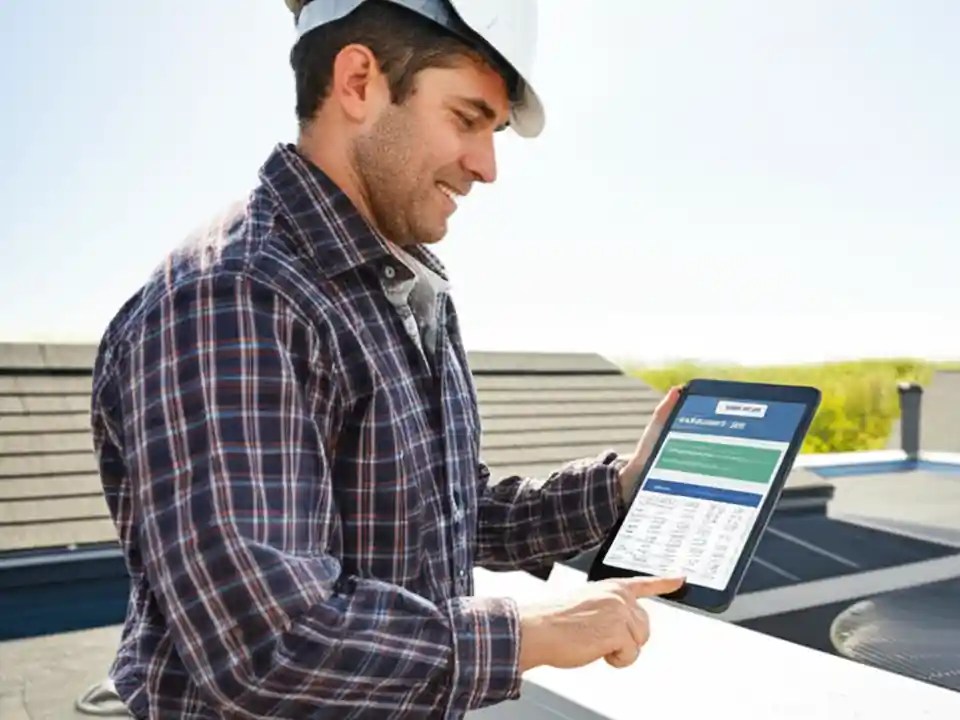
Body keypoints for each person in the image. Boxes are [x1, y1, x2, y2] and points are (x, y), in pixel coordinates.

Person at [88, 1, 684, 717]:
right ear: (359, 82)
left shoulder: (398, 286)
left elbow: (449, 516)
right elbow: (270, 644)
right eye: (467, 119)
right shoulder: (237, 298)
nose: (487, 167)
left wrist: (619, 488)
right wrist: (531, 633)